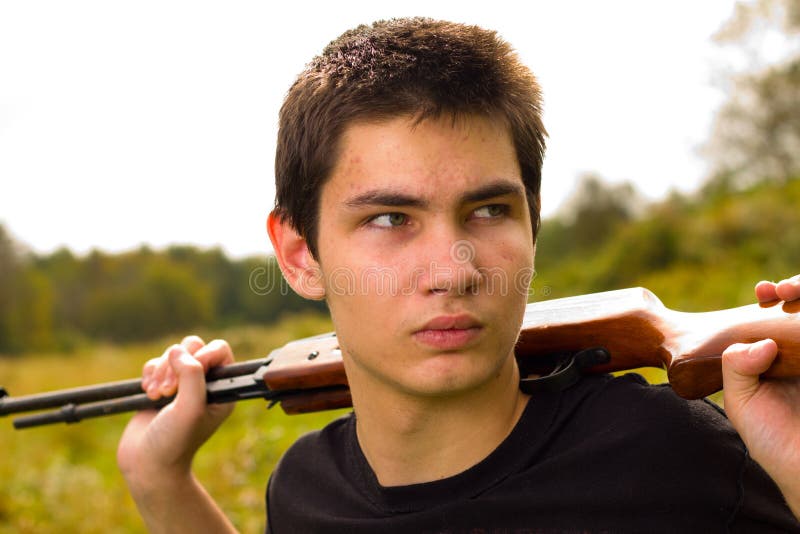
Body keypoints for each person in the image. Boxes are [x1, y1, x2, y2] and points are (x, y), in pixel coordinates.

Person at [116, 18, 800, 533]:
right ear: (299, 255)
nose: (454, 271)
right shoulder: (303, 489)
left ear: (532, 225)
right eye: (390, 218)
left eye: (489, 210)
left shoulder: (675, 462)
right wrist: (160, 481)